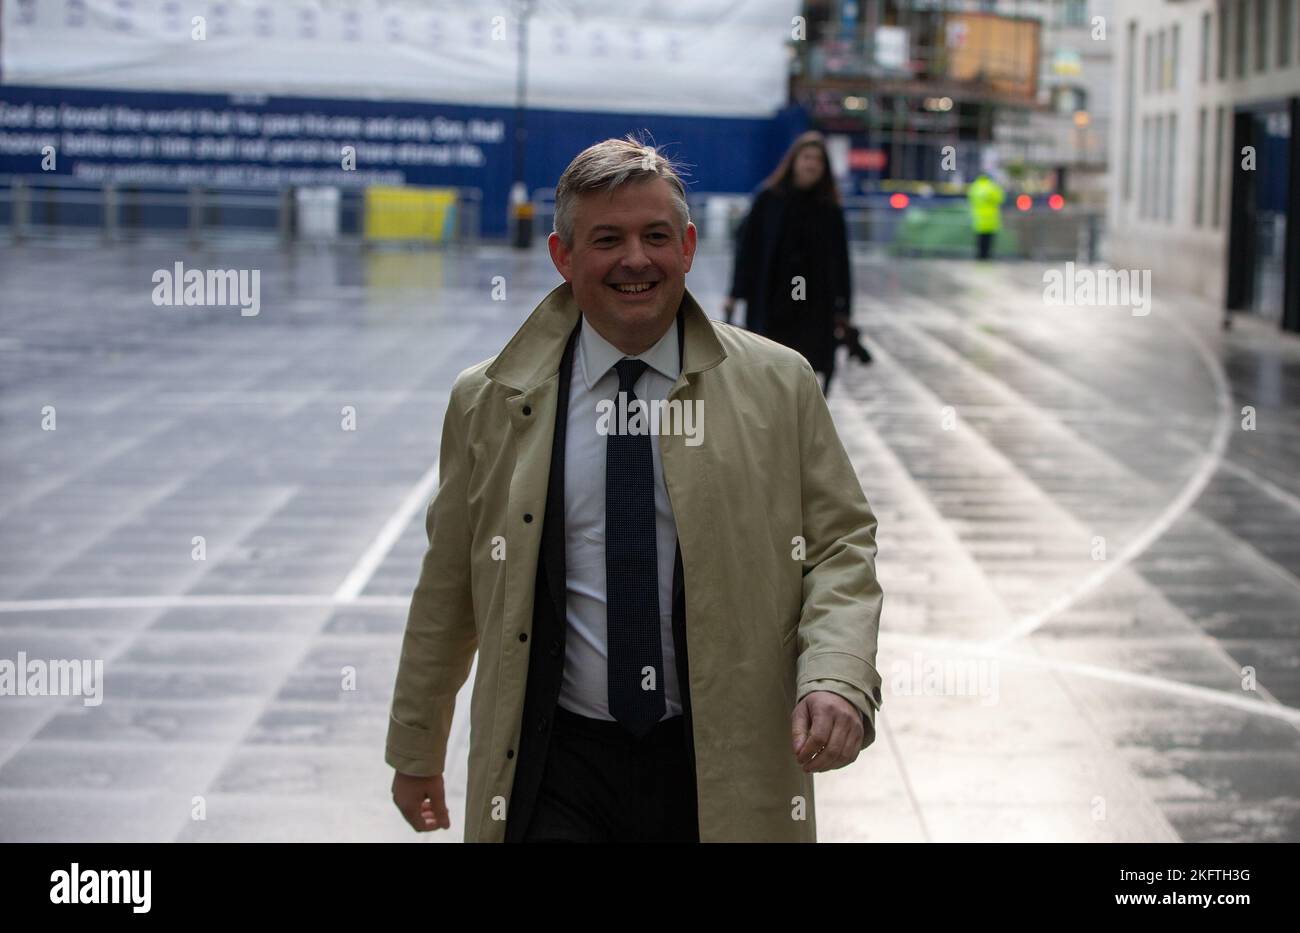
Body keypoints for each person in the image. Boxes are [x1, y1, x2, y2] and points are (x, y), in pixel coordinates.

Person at [386, 134, 884, 843]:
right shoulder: (490, 400)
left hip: (716, 767)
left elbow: (840, 545)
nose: (635, 260)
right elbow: (449, 585)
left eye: (655, 236)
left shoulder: (780, 385)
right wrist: (415, 744)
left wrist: (837, 673)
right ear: (562, 257)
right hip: (553, 765)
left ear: (686, 246)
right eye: (607, 239)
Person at [723, 131, 867, 396]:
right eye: (807, 157)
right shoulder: (769, 199)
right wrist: (735, 293)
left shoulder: (829, 208)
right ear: (795, 161)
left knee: (807, 368)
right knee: (768, 365)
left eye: (818, 160)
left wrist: (844, 307)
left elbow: (840, 260)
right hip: (772, 299)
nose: (811, 164)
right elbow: (748, 249)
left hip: (813, 306)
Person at [967, 173, 1005, 261]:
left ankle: (979, 256)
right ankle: (987, 257)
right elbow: (1000, 198)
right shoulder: (993, 187)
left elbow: (971, 199)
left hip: (978, 218)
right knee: (988, 240)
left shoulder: (975, 187)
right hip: (991, 219)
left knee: (979, 240)